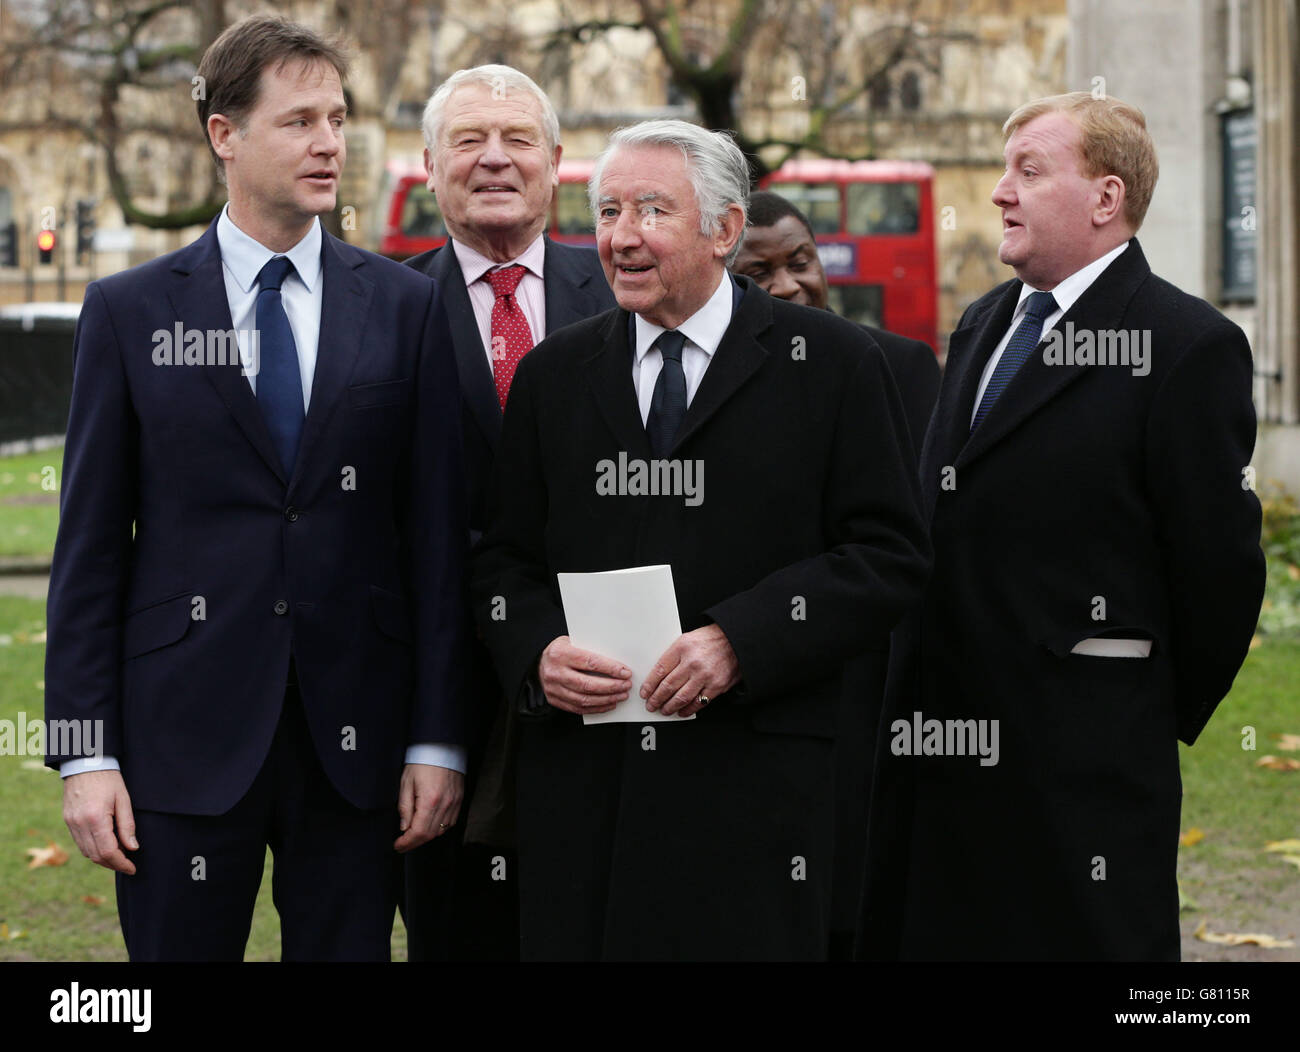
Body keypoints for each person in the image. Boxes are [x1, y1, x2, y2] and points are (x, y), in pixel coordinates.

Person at [44, 14, 467, 961]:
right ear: (223, 135)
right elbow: (89, 549)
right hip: (178, 741)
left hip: (356, 743)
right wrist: (85, 751)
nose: (329, 142)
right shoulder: (129, 309)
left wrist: (438, 741)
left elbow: (435, 540)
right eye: (299, 120)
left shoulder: (405, 306)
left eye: (339, 117)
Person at [471, 119, 931, 960]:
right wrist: (535, 650)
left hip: (756, 793)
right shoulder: (554, 376)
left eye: (652, 210)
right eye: (606, 212)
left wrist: (740, 641)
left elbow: (888, 557)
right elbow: (503, 561)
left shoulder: (832, 363)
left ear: (724, 229)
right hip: (588, 793)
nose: (621, 237)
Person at [861, 91, 1265, 961]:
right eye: (1005, 170)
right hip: (934, 756)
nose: (1000, 191)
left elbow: (1220, 574)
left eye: (1028, 171)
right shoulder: (981, 325)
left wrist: (1123, 703)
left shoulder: (1187, 343)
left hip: (1079, 778)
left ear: (1105, 197)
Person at [402, 64, 615, 961]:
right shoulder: (377, 305)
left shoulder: (623, 291)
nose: (495, 159)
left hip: (597, 685)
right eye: (468, 140)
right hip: (429, 701)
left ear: (558, 162)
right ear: (428, 164)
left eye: (518, 140)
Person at [730, 189, 939, 959]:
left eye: (801, 261)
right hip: (748, 681)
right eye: (759, 272)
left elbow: (912, 538)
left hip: (865, 687)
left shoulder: (899, 366)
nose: (788, 285)